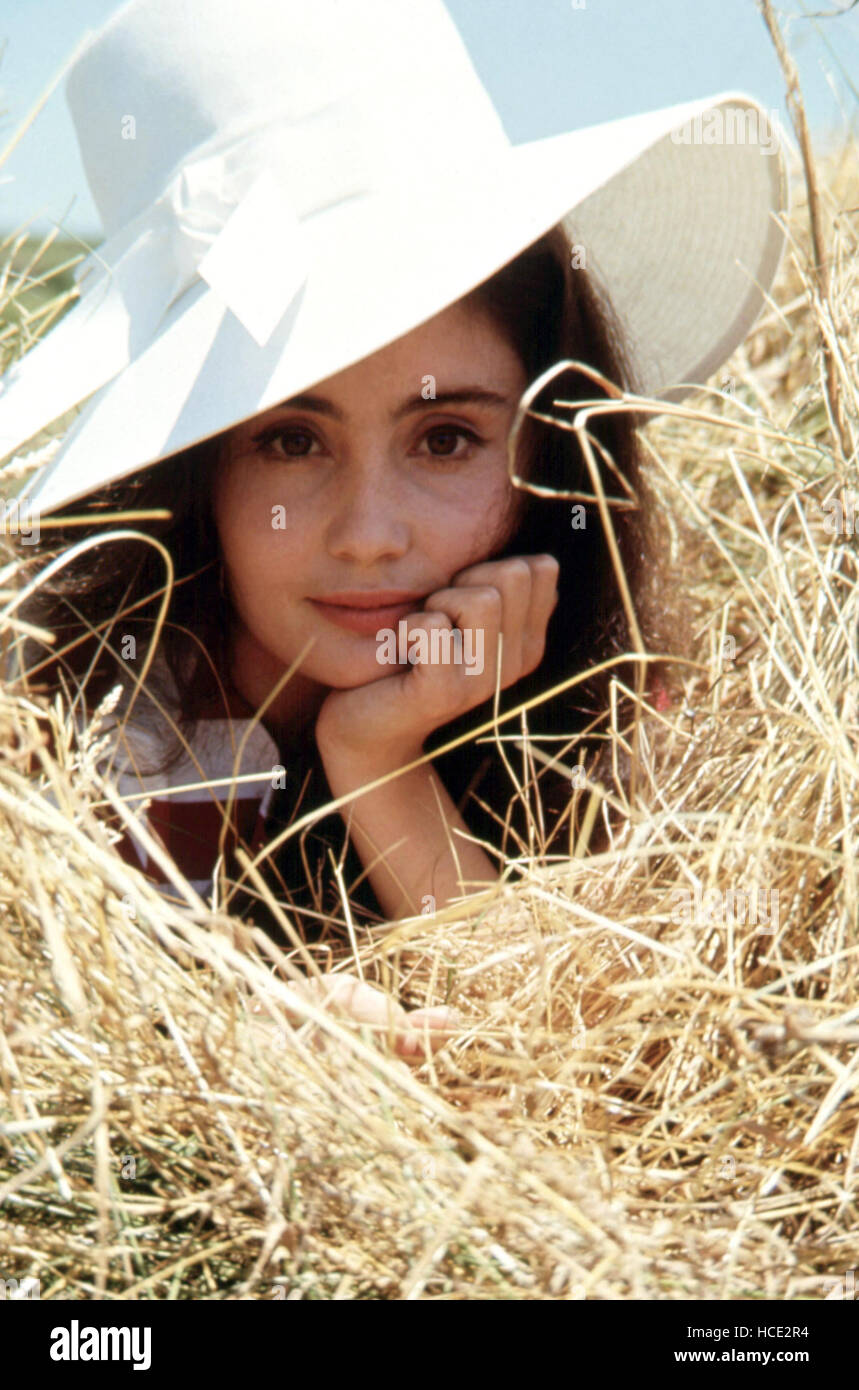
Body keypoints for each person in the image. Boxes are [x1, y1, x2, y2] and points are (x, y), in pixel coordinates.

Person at [0, 0, 788, 1053]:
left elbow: (551, 1068)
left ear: (546, 445)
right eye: (289, 440)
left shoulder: (615, 713)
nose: (370, 534)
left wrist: (377, 756)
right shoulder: (61, 739)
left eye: (446, 439)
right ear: (192, 472)